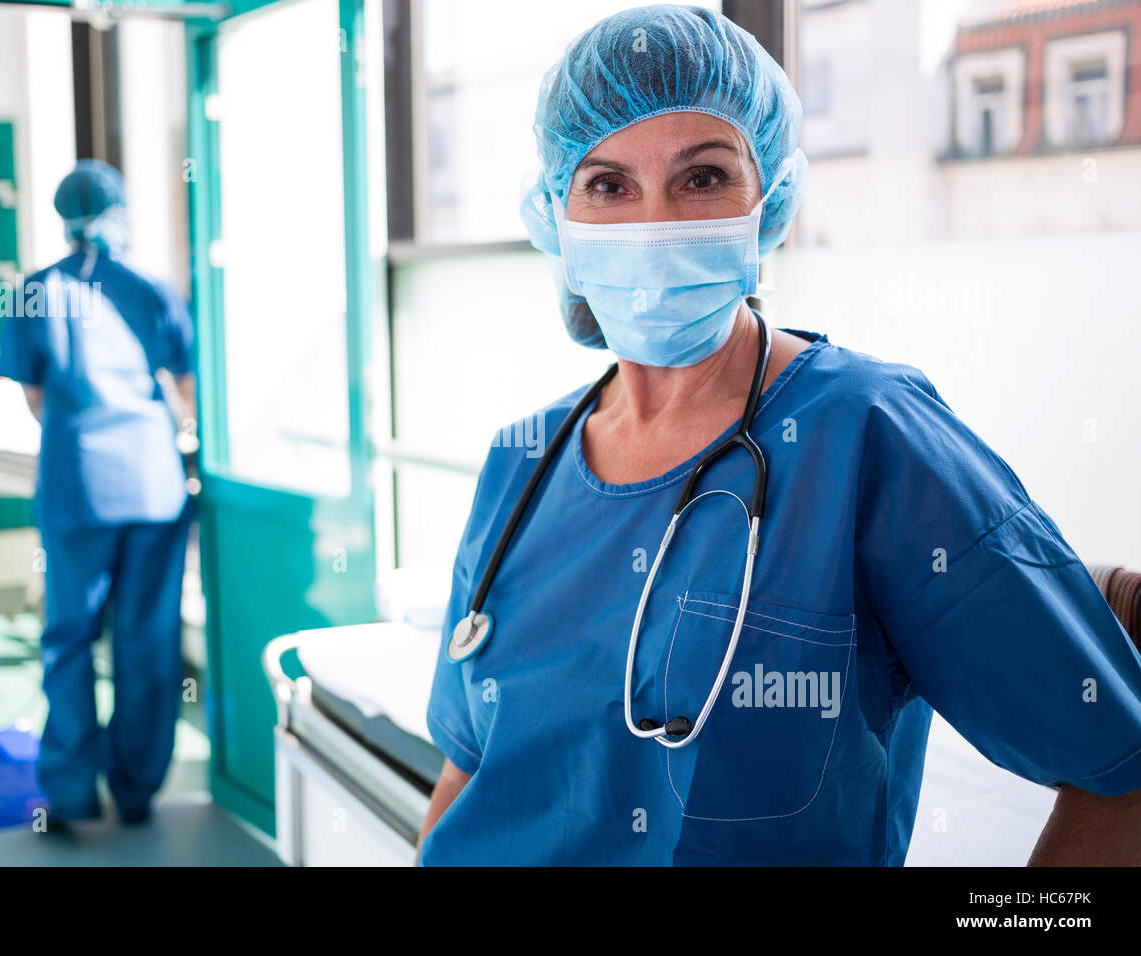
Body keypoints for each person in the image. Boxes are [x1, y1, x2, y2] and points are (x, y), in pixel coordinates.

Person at [416, 4, 1141, 866]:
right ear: (556, 217)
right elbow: (470, 766)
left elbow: (1120, 765)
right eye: (608, 186)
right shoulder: (520, 462)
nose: (655, 226)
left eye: (702, 177)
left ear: (770, 200)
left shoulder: (869, 437)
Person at [0, 159, 196, 828]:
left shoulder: (34, 292)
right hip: (153, 488)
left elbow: (32, 395)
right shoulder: (153, 288)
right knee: (147, 639)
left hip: (77, 486)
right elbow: (185, 387)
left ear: (62, 218)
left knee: (70, 637)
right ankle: (136, 790)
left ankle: (73, 793)